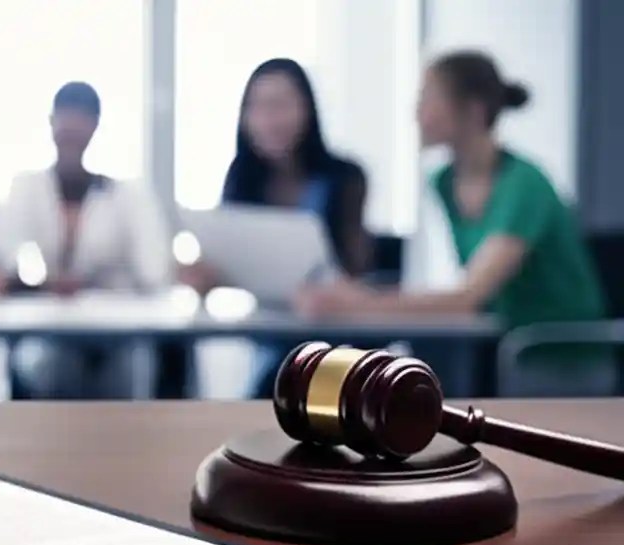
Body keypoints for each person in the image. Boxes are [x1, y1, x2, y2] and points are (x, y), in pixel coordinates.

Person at [297, 51, 607, 395]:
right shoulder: (444, 181)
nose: (417, 113)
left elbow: (467, 297)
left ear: (473, 111)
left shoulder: (524, 184)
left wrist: (355, 303)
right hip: (502, 346)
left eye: (428, 99)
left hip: (556, 356)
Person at [162, 58, 369, 399]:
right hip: (267, 334)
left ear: (307, 109)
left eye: (280, 105)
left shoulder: (344, 177)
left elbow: (354, 266)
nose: (269, 119)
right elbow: (233, 261)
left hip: (335, 337)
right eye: (257, 107)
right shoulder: (241, 177)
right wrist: (206, 275)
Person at [0, 82, 170, 399]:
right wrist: (43, 284)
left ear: (95, 127)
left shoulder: (128, 196)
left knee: (123, 381)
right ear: (51, 123)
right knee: (46, 371)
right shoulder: (29, 187)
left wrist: (99, 284)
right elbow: (2, 255)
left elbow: (155, 273)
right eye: (65, 123)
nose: (71, 133)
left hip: (116, 340)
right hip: (52, 337)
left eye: (81, 124)